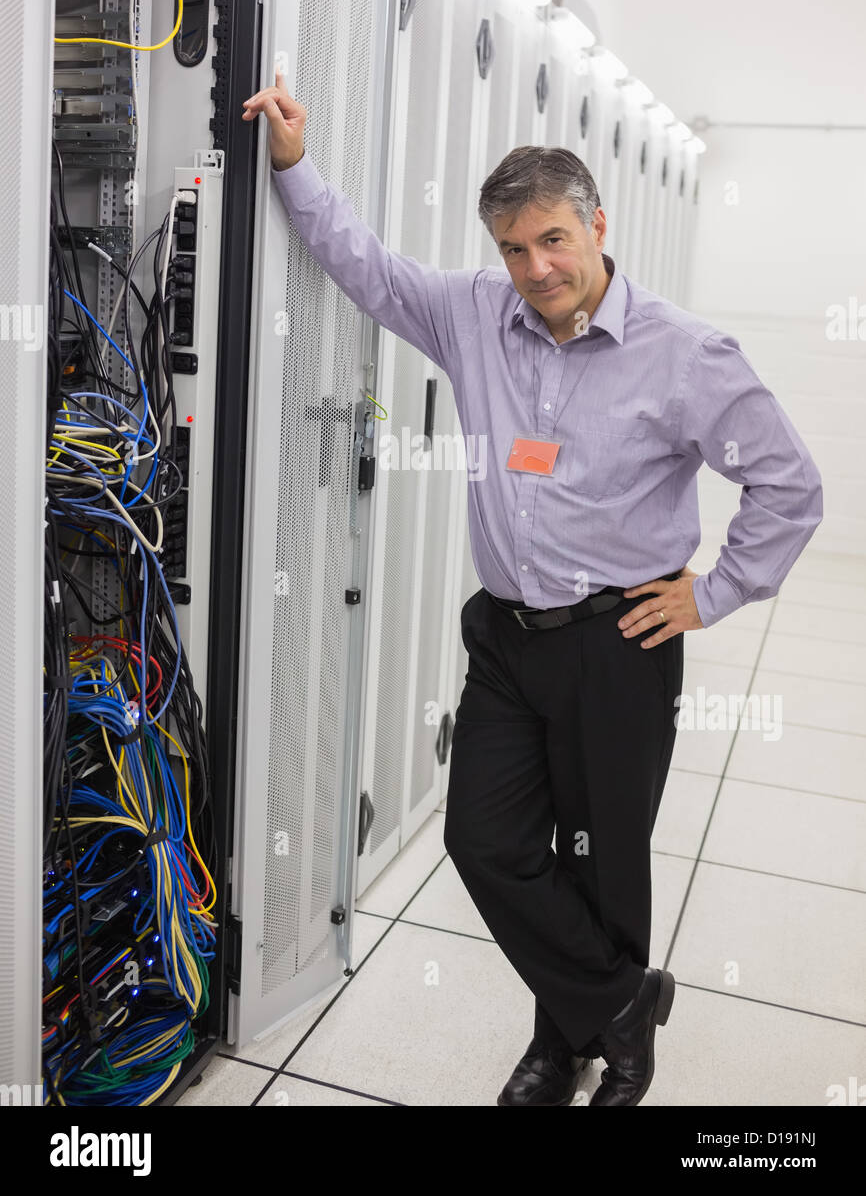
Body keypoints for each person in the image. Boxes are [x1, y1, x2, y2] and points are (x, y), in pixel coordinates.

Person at [241, 71, 823, 1106]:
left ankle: (563, 1048)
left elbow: (787, 483)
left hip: (618, 643)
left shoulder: (683, 353)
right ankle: (619, 1005)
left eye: (552, 240)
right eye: (512, 248)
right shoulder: (475, 314)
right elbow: (368, 270)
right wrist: (294, 168)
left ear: (597, 223)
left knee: (600, 859)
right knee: (485, 840)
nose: (534, 267)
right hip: (506, 638)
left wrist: (716, 590)